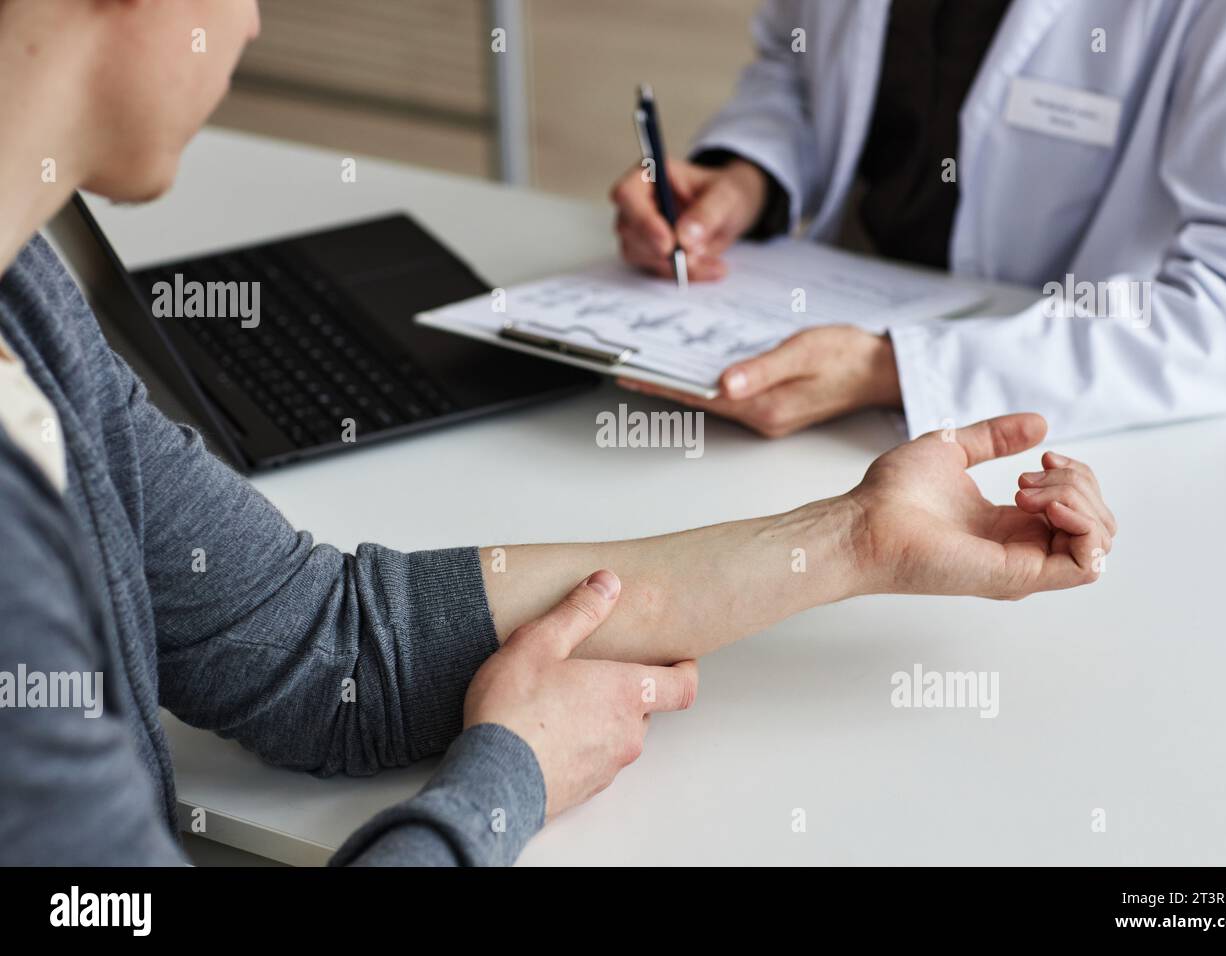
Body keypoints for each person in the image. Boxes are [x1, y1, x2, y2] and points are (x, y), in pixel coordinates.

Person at [0, 0, 1115, 867]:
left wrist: (854, 537)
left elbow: (319, 642)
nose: (251, 22)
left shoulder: (28, 296)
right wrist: (499, 784)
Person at [611, 0, 1226, 440]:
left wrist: (897, 369)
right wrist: (748, 175)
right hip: (819, 330)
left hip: (1072, 427)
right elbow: (793, 69)